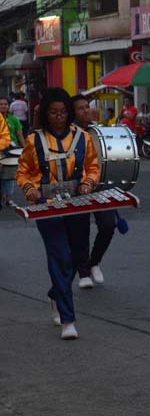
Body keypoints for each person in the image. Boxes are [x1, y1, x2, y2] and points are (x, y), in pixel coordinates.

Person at [15, 88, 100, 340]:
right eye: (53, 112)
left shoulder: (83, 137)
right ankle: (68, 319)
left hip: (77, 204)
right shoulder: (34, 140)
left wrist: (89, 183)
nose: (58, 117)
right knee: (59, 256)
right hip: (46, 205)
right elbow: (23, 172)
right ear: (45, 114)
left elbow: (93, 167)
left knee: (76, 257)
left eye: (63, 112)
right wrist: (29, 189)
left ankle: (55, 294)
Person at [72, 94, 125, 288]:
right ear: (72, 112)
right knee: (81, 230)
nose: (86, 110)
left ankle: (94, 262)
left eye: (87, 106)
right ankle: (83, 273)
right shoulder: (67, 133)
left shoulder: (98, 130)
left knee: (108, 225)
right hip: (76, 188)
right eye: (80, 108)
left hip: (100, 185)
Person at [0, 95, 22, 206]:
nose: (3, 106)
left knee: (9, 175)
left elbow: (19, 134)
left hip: (11, 150)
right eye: (1, 104)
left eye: (5, 104)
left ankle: (8, 198)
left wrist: (25, 149)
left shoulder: (14, 119)